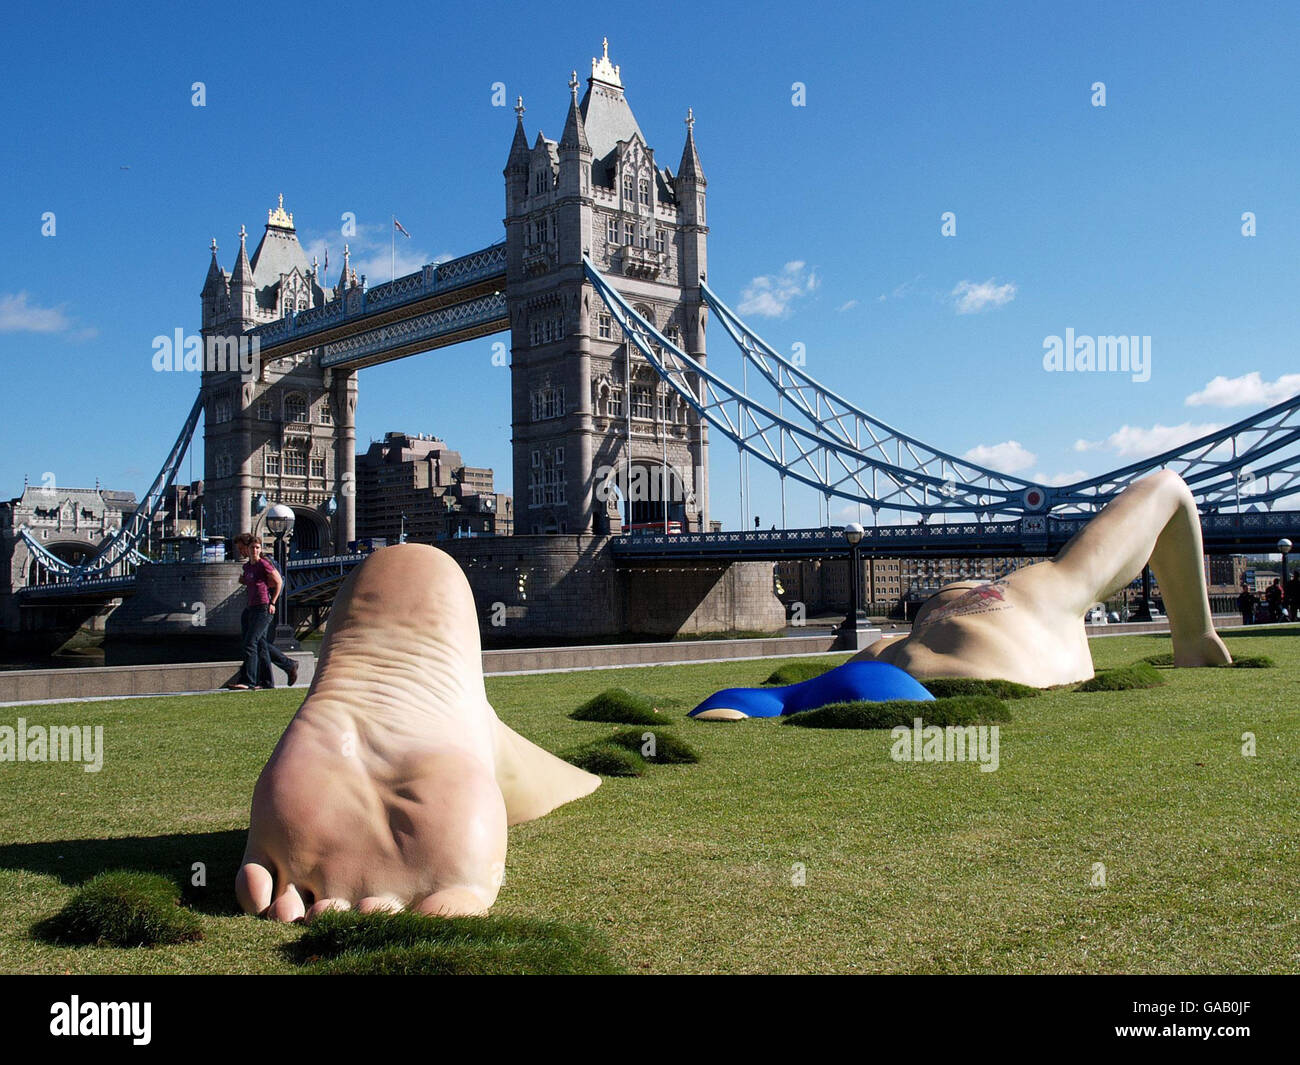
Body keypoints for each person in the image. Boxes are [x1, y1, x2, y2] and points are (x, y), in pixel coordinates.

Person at [851, 471, 1230, 687]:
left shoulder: (891, 648)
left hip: (974, 667)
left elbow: (797, 695)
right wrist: (1196, 636)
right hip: (1010, 659)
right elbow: (1169, 487)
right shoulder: (1043, 584)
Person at [226, 533, 298, 690]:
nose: (242, 552)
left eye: (242, 548)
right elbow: (254, 581)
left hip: (264, 607)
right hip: (252, 607)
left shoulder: (264, 563)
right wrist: (245, 580)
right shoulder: (248, 566)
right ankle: (270, 679)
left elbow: (277, 581)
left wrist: (272, 602)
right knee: (260, 644)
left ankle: (248, 681)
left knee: (251, 643)